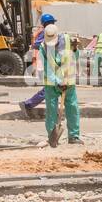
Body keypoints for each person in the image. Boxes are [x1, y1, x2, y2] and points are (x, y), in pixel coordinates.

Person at [39, 18, 81, 146]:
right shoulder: (42, 46)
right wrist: (58, 81)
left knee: (72, 107)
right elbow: (47, 68)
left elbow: (75, 57)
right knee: (51, 110)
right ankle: (53, 136)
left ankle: (74, 136)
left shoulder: (68, 40)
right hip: (52, 83)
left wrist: (75, 50)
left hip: (68, 80)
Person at [20, 14, 57, 119]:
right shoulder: (45, 33)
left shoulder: (52, 33)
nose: (53, 24)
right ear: (47, 24)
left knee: (53, 88)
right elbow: (36, 44)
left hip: (53, 64)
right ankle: (28, 104)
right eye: (51, 22)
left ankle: (30, 104)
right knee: (51, 88)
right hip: (48, 64)